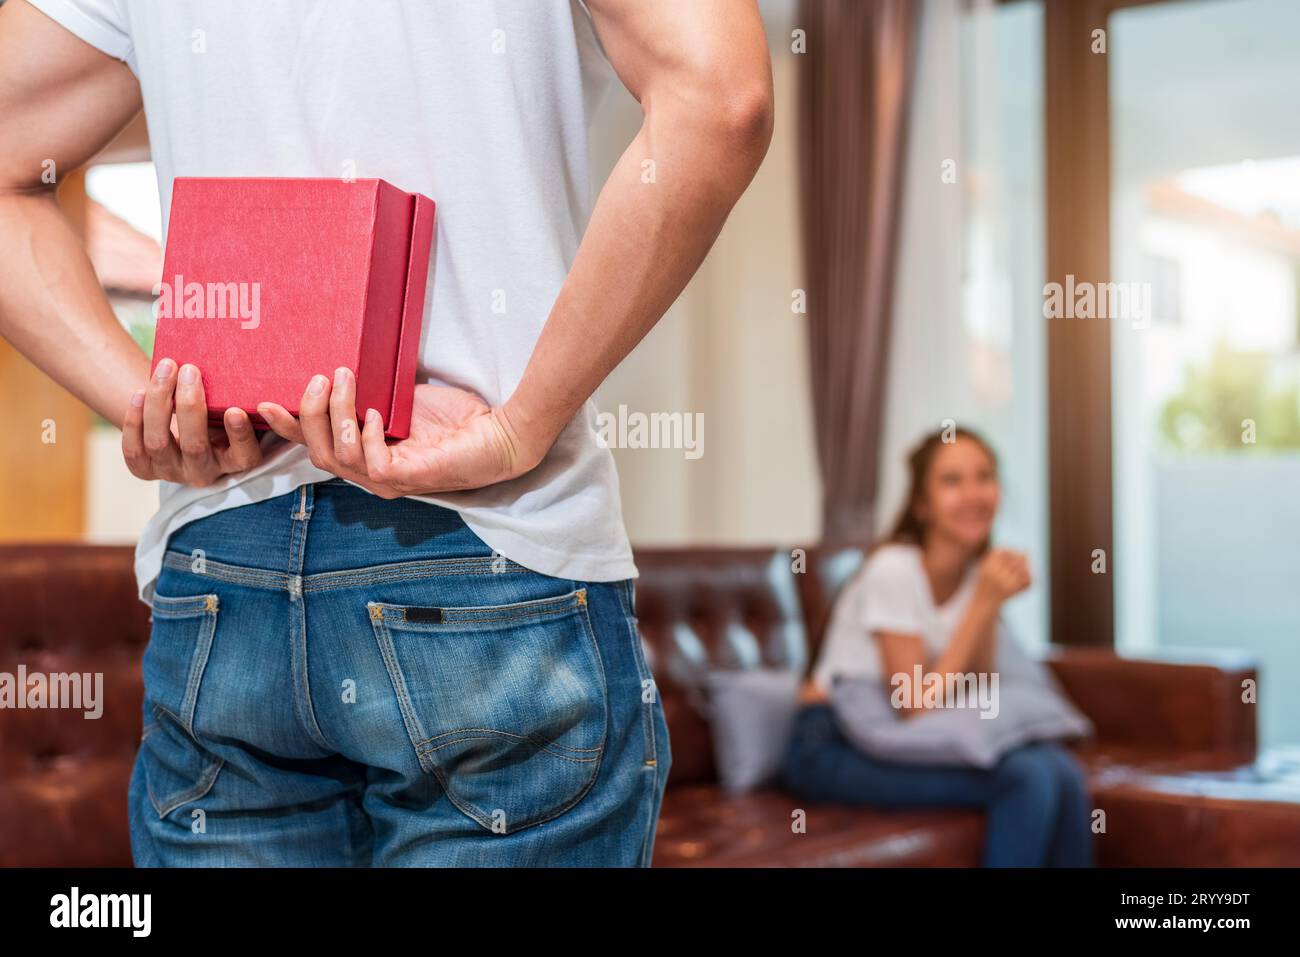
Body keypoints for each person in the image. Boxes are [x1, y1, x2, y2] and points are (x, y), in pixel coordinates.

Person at [0, 0, 774, 866]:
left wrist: (145, 398)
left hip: (222, 565)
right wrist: (523, 424)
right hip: (486, 544)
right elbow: (721, 96)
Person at [784, 427, 1094, 867]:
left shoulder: (974, 575)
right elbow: (912, 702)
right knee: (1025, 778)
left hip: (895, 735)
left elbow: (976, 684)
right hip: (830, 744)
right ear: (921, 505)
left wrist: (987, 602)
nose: (973, 494)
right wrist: (983, 602)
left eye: (983, 477)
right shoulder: (893, 569)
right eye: (952, 481)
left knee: (1057, 768)